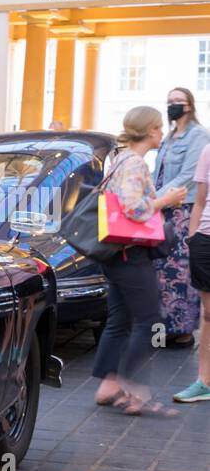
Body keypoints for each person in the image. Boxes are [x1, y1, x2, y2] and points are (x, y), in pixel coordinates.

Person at [92, 106, 187, 417]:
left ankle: (108, 385)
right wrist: (166, 200)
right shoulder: (134, 163)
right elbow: (134, 208)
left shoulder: (120, 158)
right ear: (150, 131)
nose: (162, 132)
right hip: (131, 254)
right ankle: (136, 391)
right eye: (159, 127)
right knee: (148, 320)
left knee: (119, 319)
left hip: (115, 254)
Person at [153, 87, 209, 347]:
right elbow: (159, 173)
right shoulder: (169, 136)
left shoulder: (198, 135)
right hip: (163, 208)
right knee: (162, 272)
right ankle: (163, 332)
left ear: (189, 105)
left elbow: (187, 176)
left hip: (181, 210)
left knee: (181, 272)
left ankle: (182, 331)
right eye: (169, 100)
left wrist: (155, 200)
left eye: (178, 101)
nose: (173, 105)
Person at [173, 139, 210, 403]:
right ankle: (204, 382)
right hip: (205, 239)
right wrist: (193, 236)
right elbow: (199, 199)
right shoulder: (208, 148)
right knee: (209, 315)